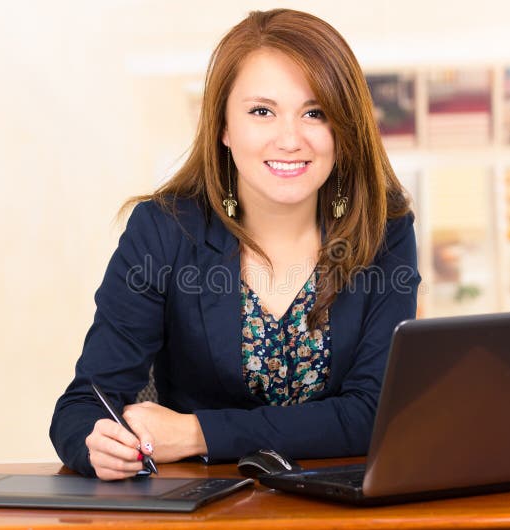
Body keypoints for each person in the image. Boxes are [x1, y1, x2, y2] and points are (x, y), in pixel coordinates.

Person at [50, 8, 420, 480]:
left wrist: (197, 433)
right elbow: (82, 407)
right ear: (224, 126)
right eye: (262, 111)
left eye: (315, 113)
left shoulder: (384, 231)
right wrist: (97, 444)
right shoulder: (164, 230)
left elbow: (372, 414)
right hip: (202, 504)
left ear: (343, 130)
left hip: (341, 504)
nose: (290, 139)